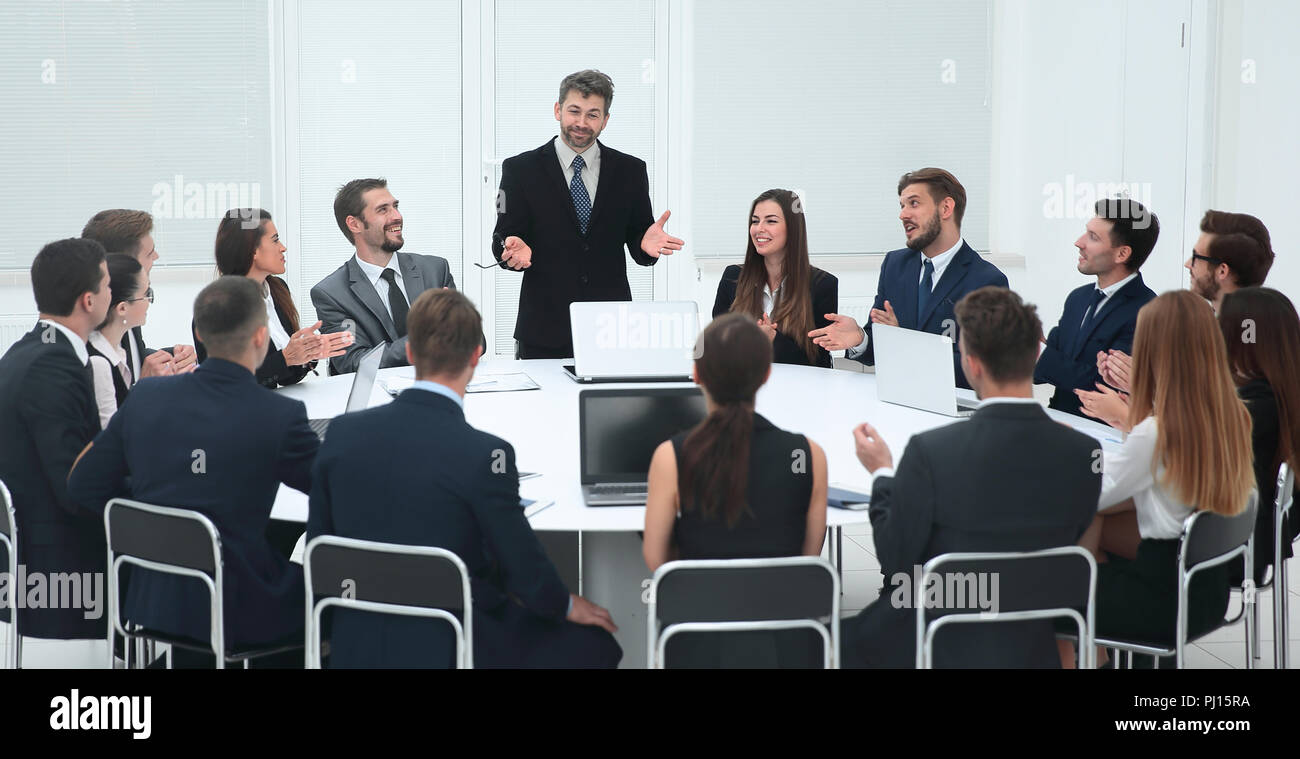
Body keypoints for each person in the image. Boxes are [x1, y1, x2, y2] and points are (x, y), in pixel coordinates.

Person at [307, 288, 622, 668]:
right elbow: (524, 572)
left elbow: (318, 548)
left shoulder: (341, 434)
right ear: (476, 355)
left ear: (409, 353)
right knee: (598, 644)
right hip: (453, 644)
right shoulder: (485, 455)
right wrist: (565, 603)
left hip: (356, 641)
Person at [840, 287, 1100, 668]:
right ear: (1033, 356)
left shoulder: (931, 452)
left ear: (973, 365)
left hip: (939, 635)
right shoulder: (1084, 454)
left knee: (823, 642)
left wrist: (882, 472)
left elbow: (897, 561)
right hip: (1031, 643)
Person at [68, 276, 318, 662]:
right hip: (237, 605)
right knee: (336, 602)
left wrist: (157, 518)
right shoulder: (279, 415)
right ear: (261, 337)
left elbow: (85, 485)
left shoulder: (146, 397)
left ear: (198, 333)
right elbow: (330, 489)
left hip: (149, 597)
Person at [1075, 290, 1255, 663]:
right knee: (1096, 525)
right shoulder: (1233, 416)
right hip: (1206, 590)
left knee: (1056, 583)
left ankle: (1095, 651)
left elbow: (1092, 498)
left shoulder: (1156, 432)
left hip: (1161, 601)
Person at [642, 313, 828, 666]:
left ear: (697, 375)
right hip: (786, 642)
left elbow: (658, 561)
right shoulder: (808, 454)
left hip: (697, 638)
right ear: (766, 375)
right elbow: (807, 558)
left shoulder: (671, 456)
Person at [492, 69, 684, 358]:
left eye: (593, 114)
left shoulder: (630, 171)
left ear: (605, 120)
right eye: (574, 111)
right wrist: (510, 248)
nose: (581, 123)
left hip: (611, 327)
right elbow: (504, 235)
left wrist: (646, 246)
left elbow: (639, 237)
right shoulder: (519, 170)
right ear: (558, 110)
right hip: (544, 327)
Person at [0, 238, 110, 641]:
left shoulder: (24, 352)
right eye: (108, 286)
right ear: (88, 301)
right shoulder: (53, 368)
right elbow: (77, 489)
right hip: (59, 574)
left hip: (31, 556)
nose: (112, 295)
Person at [810, 168, 1007, 388]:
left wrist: (903, 344)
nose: (903, 214)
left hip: (953, 409)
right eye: (902, 206)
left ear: (946, 208)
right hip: (896, 402)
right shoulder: (894, 265)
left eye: (913, 203)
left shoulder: (988, 281)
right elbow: (878, 350)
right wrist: (860, 339)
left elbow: (983, 368)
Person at [1093, 209, 1275, 395]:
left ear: (1222, 271)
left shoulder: (1251, 332)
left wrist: (1147, 387)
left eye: (1196, 257)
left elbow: (1222, 413)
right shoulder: (1207, 323)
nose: (1188, 263)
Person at [311, 178, 459, 373]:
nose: (397, 216)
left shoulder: (435, 269)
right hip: (375, 398)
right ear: (354, 224)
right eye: (383, 209)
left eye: (395, 206)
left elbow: (475, 341)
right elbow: (352, 361)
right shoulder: (332, 294)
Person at [196, 209, 351, 387]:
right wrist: (285, 359)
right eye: (275, 240)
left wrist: (308, 352)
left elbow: (286, 377)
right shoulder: (219, 309)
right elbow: (225, 382)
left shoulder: (277, 289)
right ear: (252, 250)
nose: (283, 247)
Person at [1034, 198, 1158, 417]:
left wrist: (1039, 354)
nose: (1079, 242)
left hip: (1105, 438)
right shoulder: (1077, 298)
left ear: (1122, 254)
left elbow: (1102, 384)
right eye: (1086, 232)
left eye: (1093, 237)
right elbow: (1048, 366)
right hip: (1058, 424)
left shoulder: (1148, 311)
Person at [1216, 287, 1300, 585]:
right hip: (1246, 542)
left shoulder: (1260, 405)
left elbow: (1190, 443)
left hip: (1231, 548)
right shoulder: (1276, 395)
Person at [712, 190, 838, 368]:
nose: (759, 228)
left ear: (793, 228)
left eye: (771, 221)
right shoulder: (732, 277)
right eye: (755, 221)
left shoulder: (823, 284)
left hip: (798, 388)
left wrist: (773, 339)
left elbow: (818, 358)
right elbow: (718, 344)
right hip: (742, 386)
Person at [81, 209, 197, 379]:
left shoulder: (127, 303)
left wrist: (170, 357)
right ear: (125, 264)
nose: (156, 257)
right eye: (150, 254)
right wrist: (143, 384)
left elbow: (133, 358)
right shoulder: (87, 342)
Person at [87, 254, 150, 428]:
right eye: (146, 294)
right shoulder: (98, 363)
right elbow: (111, 436)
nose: (149, 302)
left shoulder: (117, 351)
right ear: (122, 308)